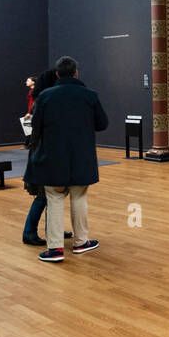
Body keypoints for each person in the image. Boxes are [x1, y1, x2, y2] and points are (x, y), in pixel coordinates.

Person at [26, 56, 108, 258]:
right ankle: (81, 242)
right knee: (79, 197)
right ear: (76, 73)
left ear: (56, 74)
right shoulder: (90, 95)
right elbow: (102, 124)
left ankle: (55, 248)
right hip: (81, 157)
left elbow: (36, 127)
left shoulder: (45, 96)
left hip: (52, 157)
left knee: (53, 198)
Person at [22, 67, 58, 245]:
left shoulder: (41, 101)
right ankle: (29, 232)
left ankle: (53, 229)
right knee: (43, 195)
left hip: (41, 151)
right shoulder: (43, 102)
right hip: (42, 152)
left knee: (50, 195)